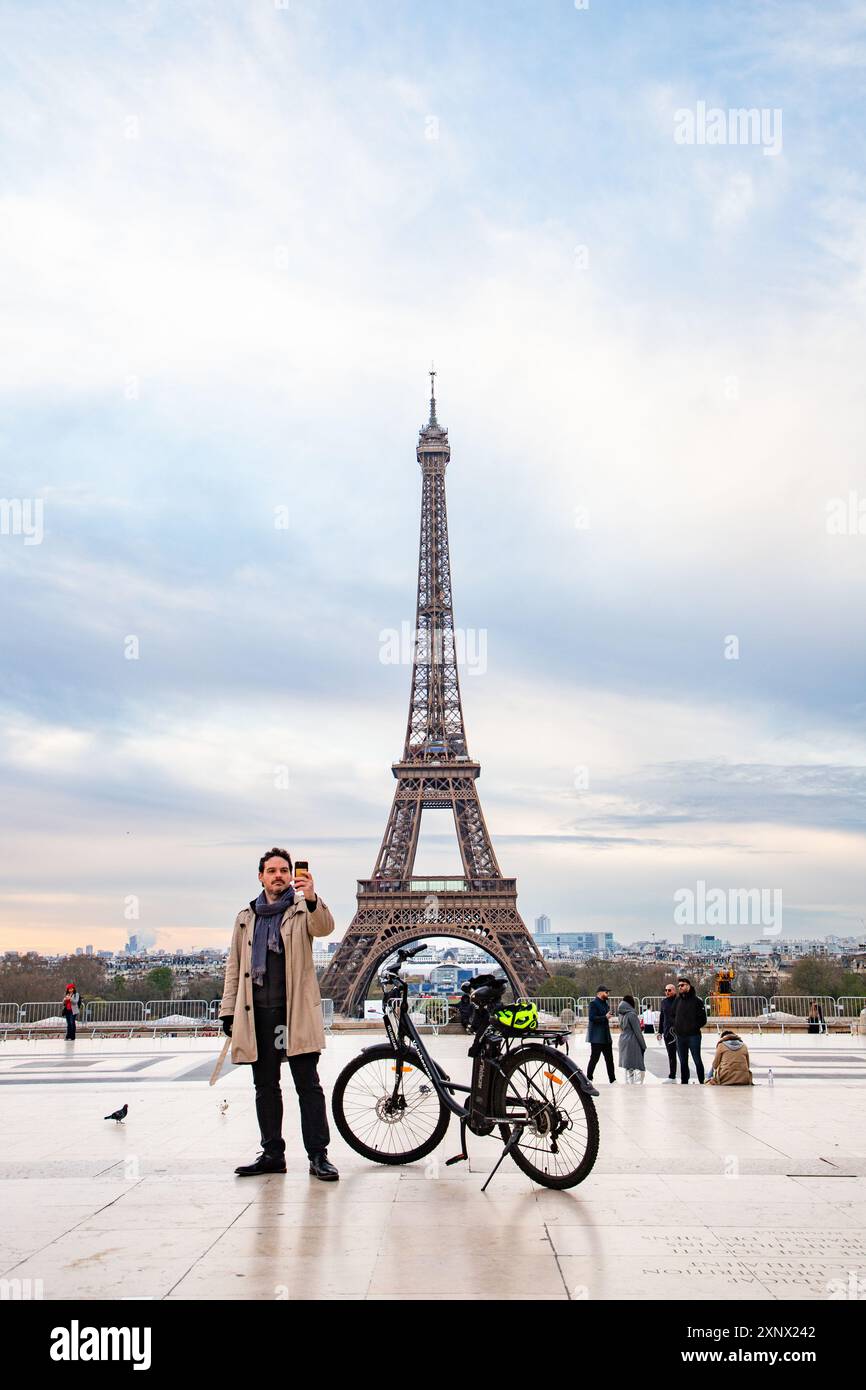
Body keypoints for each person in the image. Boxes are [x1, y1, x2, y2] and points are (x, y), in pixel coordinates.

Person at [220, 848, 339, 1180]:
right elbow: (235, 967)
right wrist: (228, 1012)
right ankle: (273, 1153)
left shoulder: (303, 909)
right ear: (261, 876)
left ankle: (318, 1155)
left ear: (291, 875)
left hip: (294, 1014)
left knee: (308, 1085)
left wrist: (312, 896)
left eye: (284, 870)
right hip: (259, 1014)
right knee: (266, 1086)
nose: (278, 875)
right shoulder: (246, 917)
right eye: (271, 870)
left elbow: (325, 927)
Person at [672, 976, 706, 1084]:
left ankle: (702, 1080)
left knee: (697, 1060)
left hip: (693, 1036)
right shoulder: (677, 1000)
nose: (680, 988)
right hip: (680, 1036)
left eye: (682, 985)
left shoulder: (697, 1001)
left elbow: (703, 1020)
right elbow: (672, 1015)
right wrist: (677, 1026)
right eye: (679, 986)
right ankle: (684, 1081)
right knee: (683, 1061)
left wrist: (693, 1027)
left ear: (688, 986)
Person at [586, 986, 616, 1083]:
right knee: (594, 1058)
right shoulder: (593, 1003)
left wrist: (608, 1015)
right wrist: (605, 1017)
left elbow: (604, 1017)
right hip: (596, 1037)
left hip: (606, 1036)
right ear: (600, 993)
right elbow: (592, 1018)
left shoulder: (605, 1004)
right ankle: (589, 1078)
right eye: (606, 992)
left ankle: (612, 1079)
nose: (608, 994)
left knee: (610, 1059)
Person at [617, 995, 647, 1083]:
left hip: (623, 1039)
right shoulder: (632, 1014)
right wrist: (643, 1045)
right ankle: (636, 1083)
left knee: (627, 1064)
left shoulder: (621, 1014)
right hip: (632, 1040)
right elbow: (637, 1031)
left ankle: (628, 1082)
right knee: (637, 1064)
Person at [658, 983, 678, 1083]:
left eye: (669, 990)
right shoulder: (664, 1002)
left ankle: (684, 1076)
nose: (667, 992)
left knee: (683, 1056)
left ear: (674, 991)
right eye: (666, 990)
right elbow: (662, 1017)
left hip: (678, 1033)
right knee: (671, 1055)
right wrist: (659, 1032)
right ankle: (672, 1076)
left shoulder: (679, 1001)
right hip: (667, 1033)